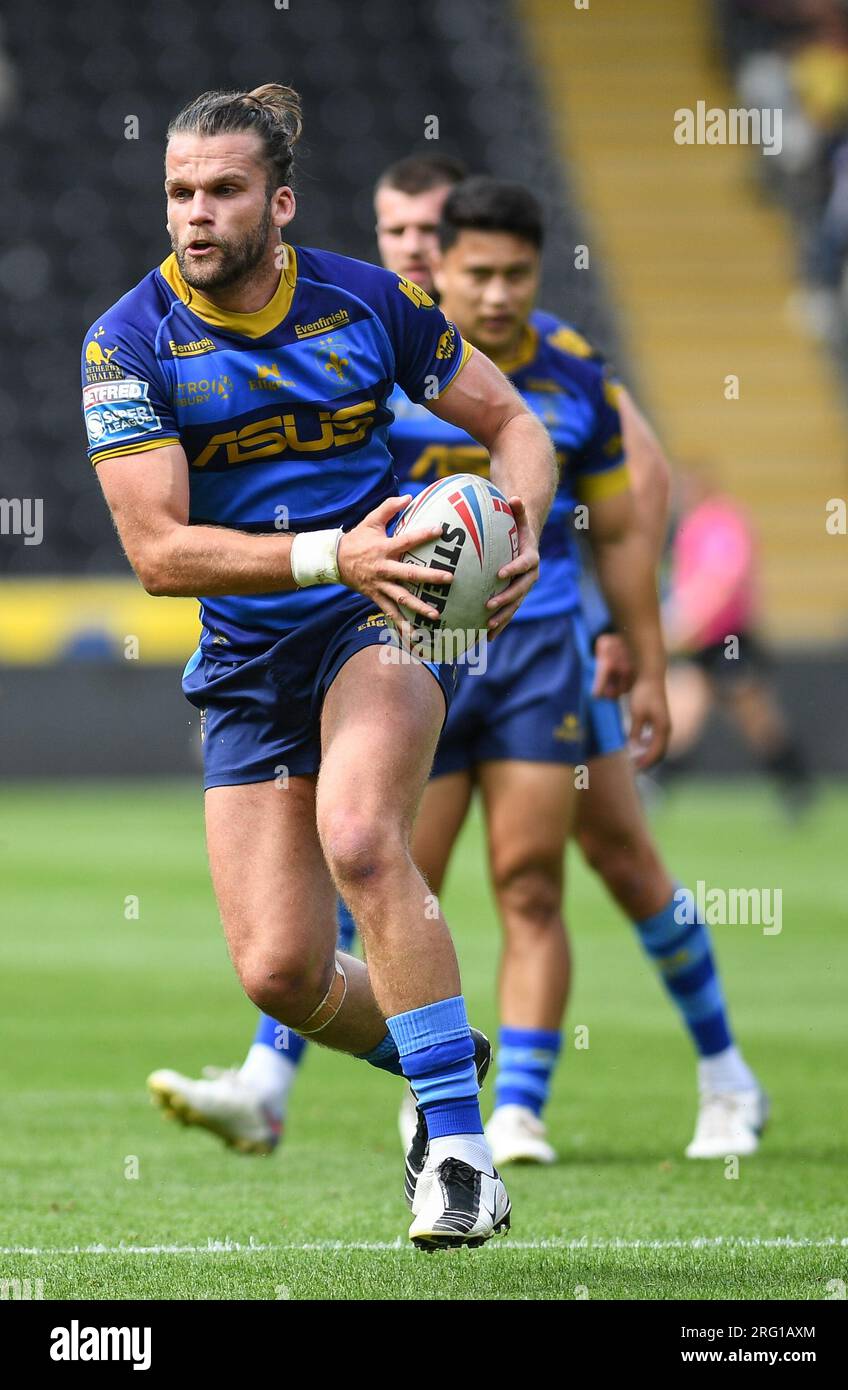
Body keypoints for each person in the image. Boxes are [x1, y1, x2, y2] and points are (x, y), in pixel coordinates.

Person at [151, 161, 767, 1168]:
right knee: (378, 861)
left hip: (534, 646)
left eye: (441, 239)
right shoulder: (375, 346)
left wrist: (638, 645)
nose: (430, 258)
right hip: (416, 634)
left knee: (563, 869)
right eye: (400, 233)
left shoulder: (562, 363)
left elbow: (633, 494)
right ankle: (305, 1081)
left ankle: (654, 1082)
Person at [82, 86, 561, 1250]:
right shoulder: (128, 340)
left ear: (279, 202)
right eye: (180, 193)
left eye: (224, 190)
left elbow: (516, 428)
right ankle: (441, 1049)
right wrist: (322, 549)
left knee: (359, 835)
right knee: (280, 974)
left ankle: (458, 1153)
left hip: (381, 614)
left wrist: (522, 531)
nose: (196, 214)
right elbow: (157, 553)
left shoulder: (372, 302)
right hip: (249, 659)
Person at [662, 465, 814, 818]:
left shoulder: (722, 522)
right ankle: (651, 791)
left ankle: (795, 786)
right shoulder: (691, 527)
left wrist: (682, 621)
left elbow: (721, 581)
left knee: (756, 719)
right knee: (683, 717)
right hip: (700, 644)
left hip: (728, 638)